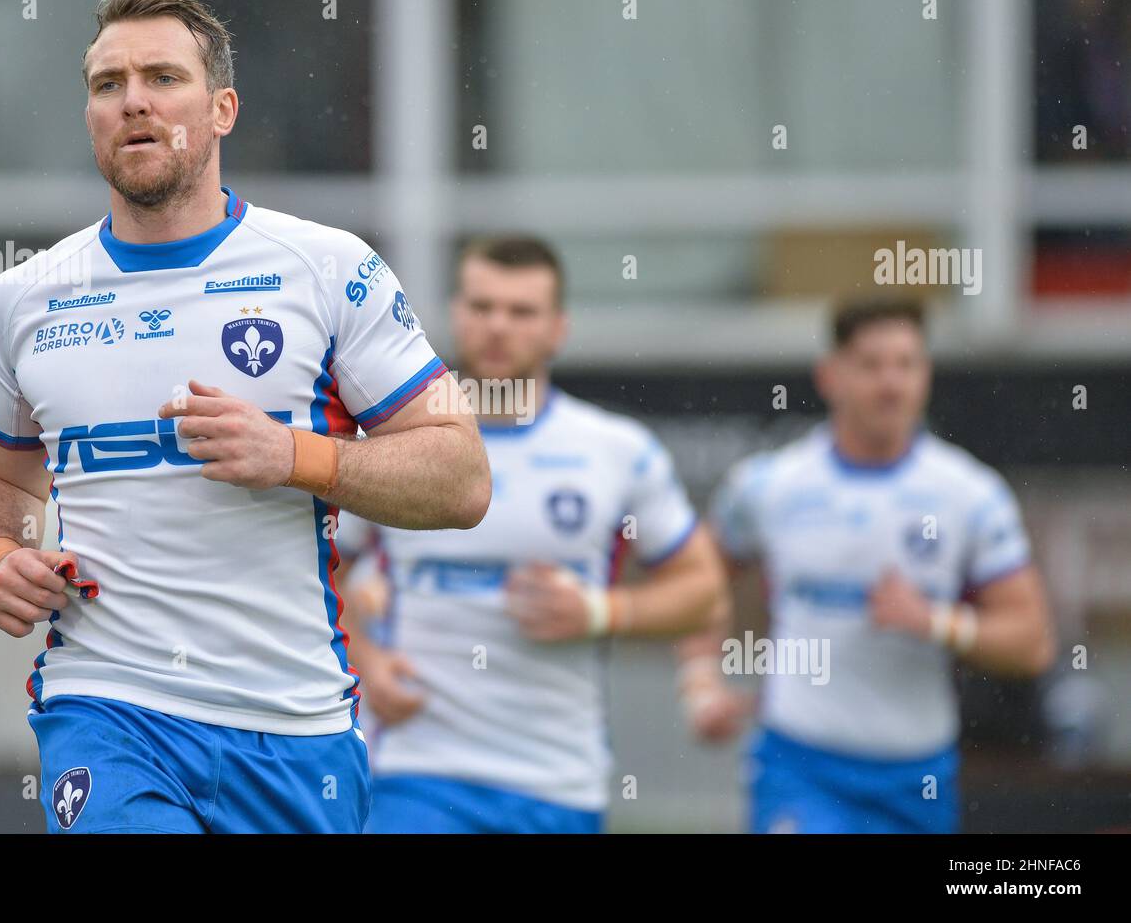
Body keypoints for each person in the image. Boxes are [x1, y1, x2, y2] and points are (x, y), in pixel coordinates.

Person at [0, 0, 489, 834]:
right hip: (107, 708)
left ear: (223, 108)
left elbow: (462, 478)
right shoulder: (25, 298)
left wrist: (296, 457)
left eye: (163, 78)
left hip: (293, 732)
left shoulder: (326, 267)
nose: (133, 102)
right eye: (107, 84)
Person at [337, 236, 728, 833]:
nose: (499, 326)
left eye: (521, 312)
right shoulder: (397, 448)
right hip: (414, 770)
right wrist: (361, 659)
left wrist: (601, 611)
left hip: (556, 782)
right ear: (456, 313)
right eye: (483, 306)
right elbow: (317, 566)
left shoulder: (615, 451)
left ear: (557, 328)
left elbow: (704, 590)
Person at [678, 297, 1055, 833]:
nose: (891, 383)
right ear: (830, 375)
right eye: (871, 365)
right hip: (800, 763)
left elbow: (1032, 642)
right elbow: (696, 578)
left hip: (916, 776)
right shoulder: (771, 485)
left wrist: (936, 622)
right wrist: (699, 682)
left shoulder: (970, 495)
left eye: (907, 364)